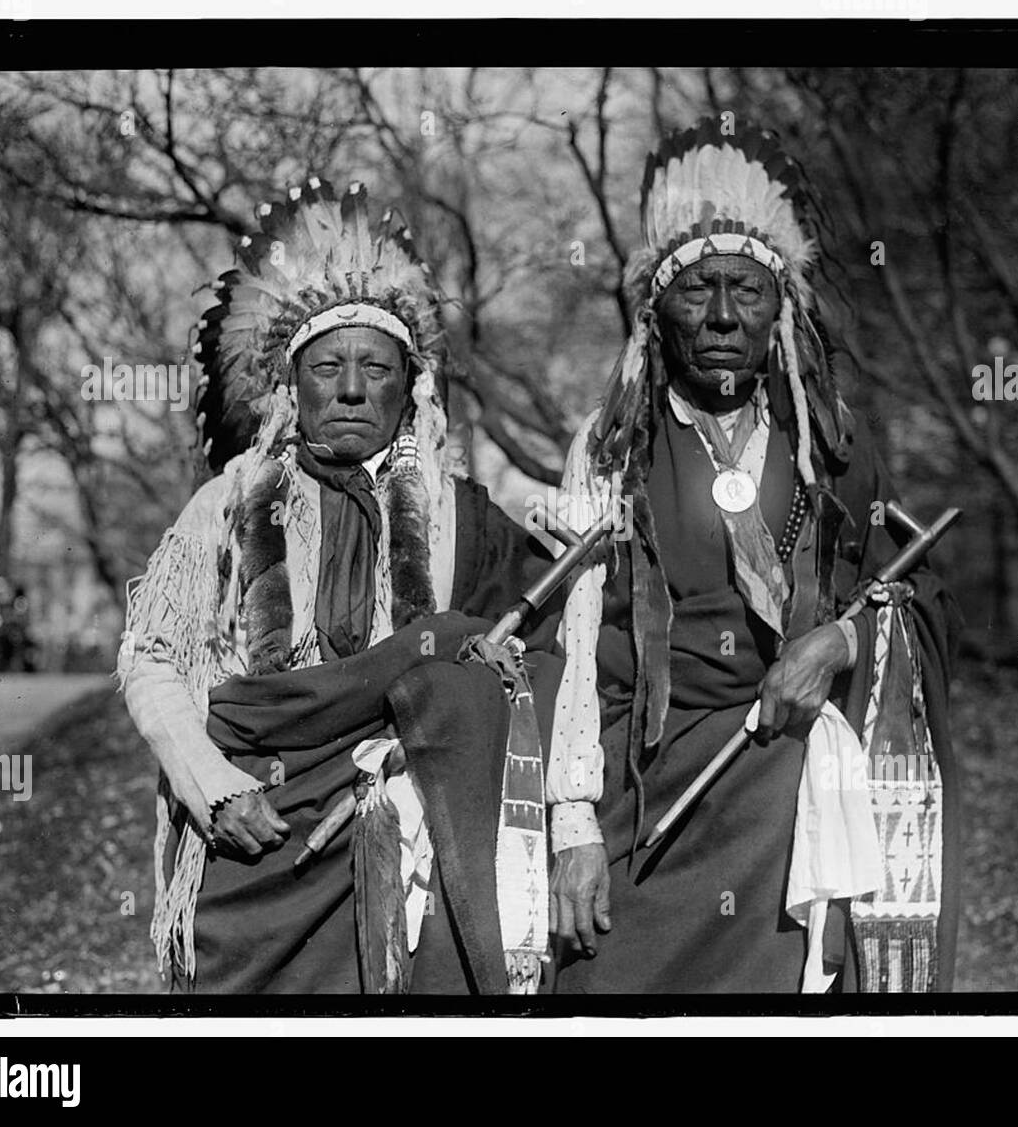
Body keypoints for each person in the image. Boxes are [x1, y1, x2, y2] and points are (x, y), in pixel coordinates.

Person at [545, 120, 963, 993]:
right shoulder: (611, 445)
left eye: (748, 291)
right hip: (645, 795)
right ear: (655, 312)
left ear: (782, 311)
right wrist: (574, 829)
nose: (726, 316)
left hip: (788, 787)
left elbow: (916, 589)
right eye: (698, 292)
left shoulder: (831, 445)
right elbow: (577, 642)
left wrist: (839, 644)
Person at [117, 178, 555, 994]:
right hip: (255, 836)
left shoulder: (464, 516)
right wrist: (215, 791)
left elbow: (533, 653)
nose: (351, 389)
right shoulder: (227, 502)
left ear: (409, 387)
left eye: (376, 368)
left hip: (408, 834)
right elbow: (151, 661)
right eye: (328, 367)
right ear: (291, 385)